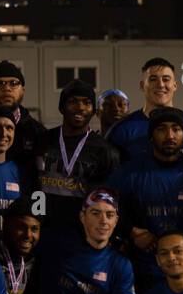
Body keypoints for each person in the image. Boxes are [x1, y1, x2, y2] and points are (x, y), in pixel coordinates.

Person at [106, 107, 183, 294]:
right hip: (143, 271)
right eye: (161, 129)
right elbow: (104, 208)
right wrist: (131, 231)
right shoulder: (130, 173)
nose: (169, 135)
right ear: (151, 136)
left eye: (176, 129)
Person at [33, 80, 119, 233]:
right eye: (73, 101)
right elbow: (32, 185)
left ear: (93, 110)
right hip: (43, 228)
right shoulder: (42, 141)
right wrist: (36, 218)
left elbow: (109, 198)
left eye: (86, 103)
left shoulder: (104, 150)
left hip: (83, 233)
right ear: (61, 107)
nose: (80, 108)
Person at [107, 57, 183, 162]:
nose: (160, 85)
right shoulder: (121, 130)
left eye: (166, 79)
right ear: (142, 85)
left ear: (175, 85)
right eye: (153, 79)